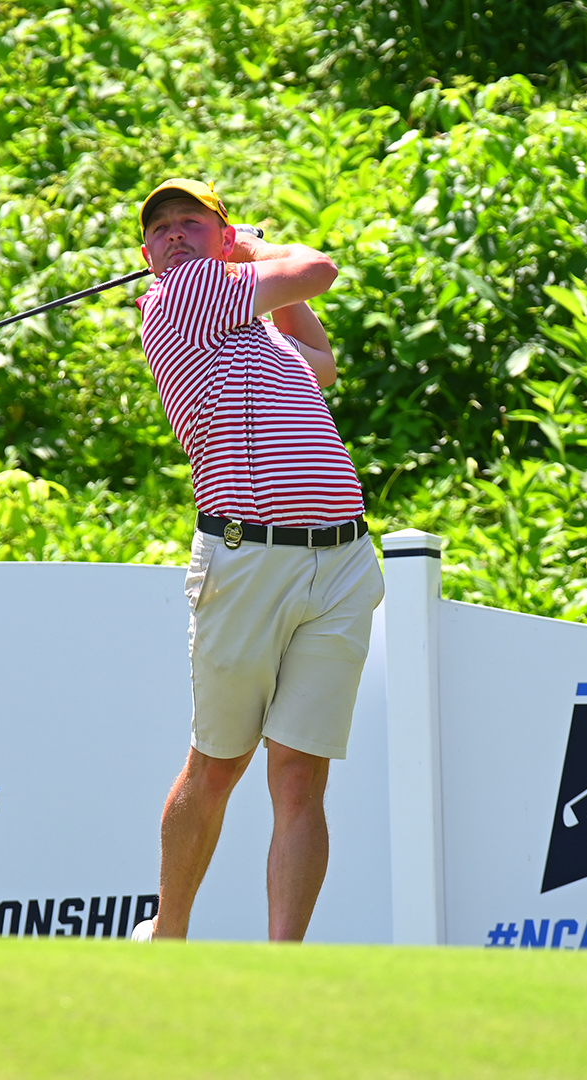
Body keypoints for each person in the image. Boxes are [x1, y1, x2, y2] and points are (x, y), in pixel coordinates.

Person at [128, 180, 383, 942]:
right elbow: (320, 269)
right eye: (160, 230)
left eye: (190, 223)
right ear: (147, 259)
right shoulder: (182, 294)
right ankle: (167, 937)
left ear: (220, 228)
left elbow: (322, 362)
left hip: (339, 561)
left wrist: (255, 270)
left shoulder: (248, 325)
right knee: (218, 766)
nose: (174, 236)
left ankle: (280, 968)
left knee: (302, 776)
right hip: (249, 559)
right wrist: (250, 249)